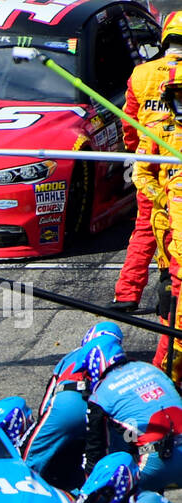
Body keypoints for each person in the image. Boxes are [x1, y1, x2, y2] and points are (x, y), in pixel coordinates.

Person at [115, 12, 182, 312]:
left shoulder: (141, 74)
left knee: (145, 226)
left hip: (149, 158)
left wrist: (136, 153)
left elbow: (128, 123)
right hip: (176, 161)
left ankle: (127, 294)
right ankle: (174, 293)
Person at [21, 323, 124, 489]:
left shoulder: (72, 355)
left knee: (29, 457)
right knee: (101, 460)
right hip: (102, 409)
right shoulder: (117, 356)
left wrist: (44, 421)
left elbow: (48, 398)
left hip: (68, 403)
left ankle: (22, 490)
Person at [131, 66, 182, 374]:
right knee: (170, 311)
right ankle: (165, 381)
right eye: (178, 97)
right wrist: (161, 195)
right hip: (170, 238)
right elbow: (141, 173)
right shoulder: (156, 129)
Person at [83, 336, 182, 491]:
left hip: (156, 458)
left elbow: (95, 452)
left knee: (119, 501)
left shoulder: (100, 395)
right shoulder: (150, 369)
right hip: (172, 444)